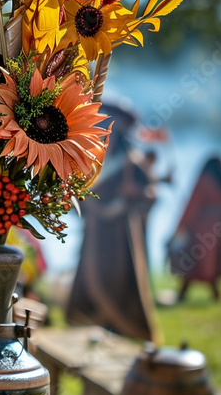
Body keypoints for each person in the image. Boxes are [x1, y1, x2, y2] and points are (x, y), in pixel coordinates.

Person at [67, 104, 159, 342]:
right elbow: (76, 195)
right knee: (90, 272)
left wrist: (136, 192)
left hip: (121, 233)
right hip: (96, 229)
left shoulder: (132, 162)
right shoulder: (89, 160)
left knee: (120, 277)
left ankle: (121, 326)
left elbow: (151, 193)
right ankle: (88, 321)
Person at [169, 156, 221, 301]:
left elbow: (192, 205)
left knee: (198, 261)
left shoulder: (204, 181)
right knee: (211, 261)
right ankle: (208, 294)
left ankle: (188, 294)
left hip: (202, 228)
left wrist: (181, 225)